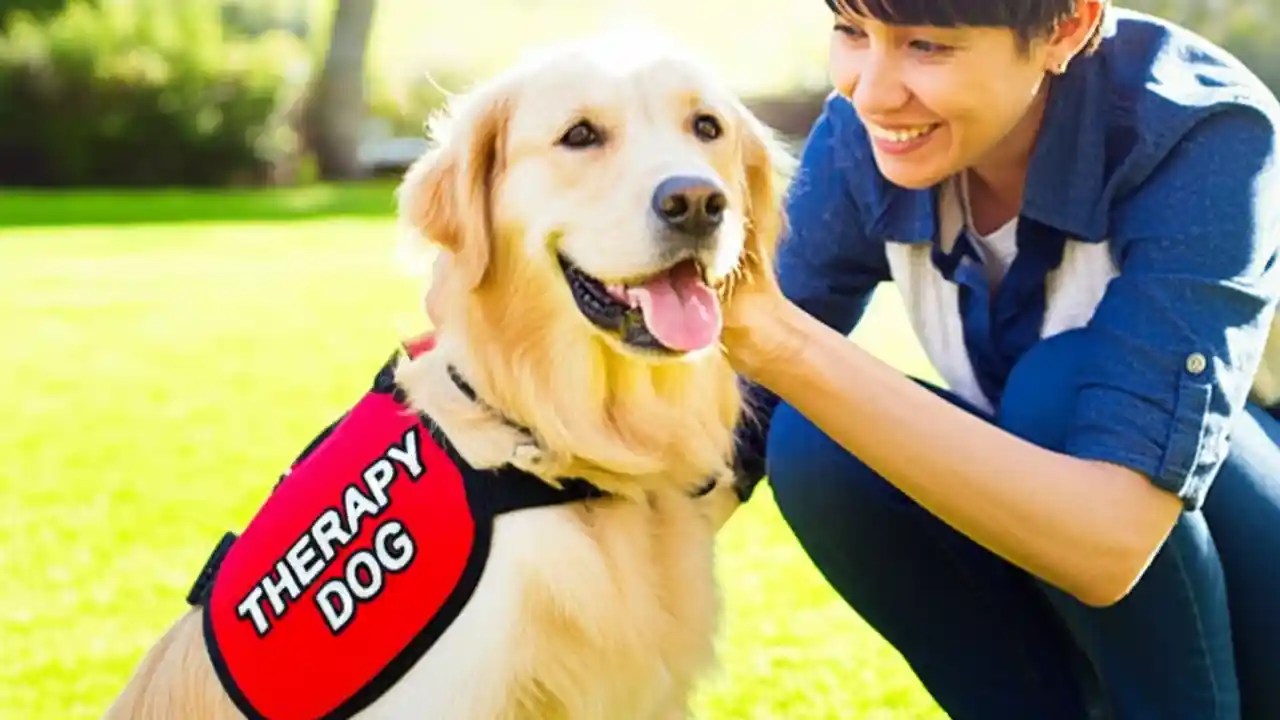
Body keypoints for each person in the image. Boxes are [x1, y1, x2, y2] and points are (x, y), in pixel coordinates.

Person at [722, 0, 1280, 718]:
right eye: (852, 32)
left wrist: (783, 343)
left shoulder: (1201, 133)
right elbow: (723, 430)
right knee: (813, 438)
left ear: (1068, 27)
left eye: (927, 45)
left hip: (1231, 571)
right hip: (1069, 563)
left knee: (1059, 390)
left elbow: (1113, 546)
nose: (872, 89)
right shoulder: (866, 136)